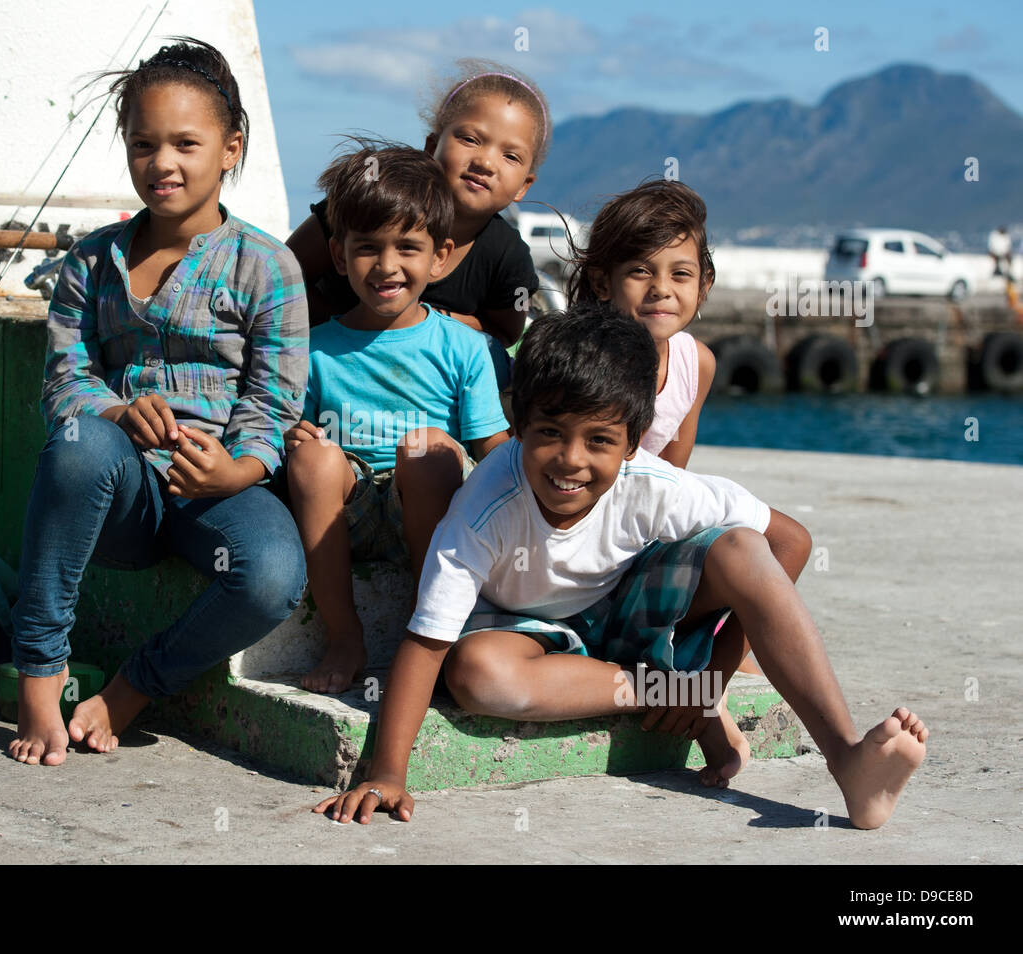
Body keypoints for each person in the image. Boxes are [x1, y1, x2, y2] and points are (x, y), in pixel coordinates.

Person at [315, 303, 927, 829]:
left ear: (633, 442)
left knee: (743, 546)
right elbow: (425, 645)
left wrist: (712, 677)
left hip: (630, 610)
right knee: (475, 673)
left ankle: (848, 759)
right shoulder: (485, 508)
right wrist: (388, 772)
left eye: (599, 441)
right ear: (518, 425)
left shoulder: (654, 485)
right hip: (523, 629)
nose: (570, 460)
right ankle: (659, 691)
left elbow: (790, 541)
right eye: (549, 432)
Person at [7, 38, 309, 766]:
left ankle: (135, 686)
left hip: (217, 493)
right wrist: (113, 413)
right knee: (78, 443)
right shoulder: (91, 261)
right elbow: (65, 379)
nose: (162, 163)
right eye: (144, 144)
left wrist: (236, 471)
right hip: (121, 496)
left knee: (272, 579)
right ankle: (39, 674)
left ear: (230, 148)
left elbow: (274, 402)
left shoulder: (267, 266)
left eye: (186, 143)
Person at [285, 145, 511, 694]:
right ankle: (344, 635)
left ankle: (425, 630)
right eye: (368, 249)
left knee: (425, 447)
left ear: (440, 257)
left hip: (435, 505)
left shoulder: (465, 345)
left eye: (408, 247)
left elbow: (493, 448)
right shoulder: (314, 349)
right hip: (349, 509)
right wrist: (293, 437)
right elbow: (287, 435)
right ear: (338, 256)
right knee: (310, 455)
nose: (387, 267)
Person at [570, 179, 813, 676]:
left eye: (680, 274)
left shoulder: (695, 362)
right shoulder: (583, 362)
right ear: (601, 281)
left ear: (703, 287)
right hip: (584, 541)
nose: (662, 288)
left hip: (645, 529)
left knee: (785, 543)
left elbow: (672, 479)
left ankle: (712, 675)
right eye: (640, 271)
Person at [288, 60, 550, 387]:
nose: (485, 162)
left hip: (426, 378)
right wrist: (342, 327)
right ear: (431, 147)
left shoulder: (507, 254)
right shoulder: (367, 205)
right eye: (470, 139)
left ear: (525, 185)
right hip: (331, 361)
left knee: (493, 357)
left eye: (510, 156)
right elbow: (284, 273)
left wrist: (433, 324)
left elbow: (504, 333)